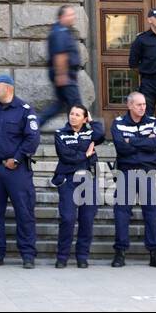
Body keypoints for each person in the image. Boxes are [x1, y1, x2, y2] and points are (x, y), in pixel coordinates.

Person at [0, 74, 40, 268]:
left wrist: (17, 159)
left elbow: (32, 139)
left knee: (24, 212)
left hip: (16, 171)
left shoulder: (25, 111)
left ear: (8, 88)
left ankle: (28, 254)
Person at [110, 92, 156, 268]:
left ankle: (154, 253)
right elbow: (121, 147)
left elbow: (154, 144)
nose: (143, 107)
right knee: (121, 213)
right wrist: (142, 141)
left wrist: (131, 141)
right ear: (129, 106)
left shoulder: (152, 121)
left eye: (144, 104)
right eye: (138, 105)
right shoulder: (118, 123)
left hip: (146, 172)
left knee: (150, 213)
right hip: (126, 172)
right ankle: (120, 252)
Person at [51, 104, 103, 268]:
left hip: (88, 179)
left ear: (84, 118)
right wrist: (85, 155)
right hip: (68, 180)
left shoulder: (90, 132)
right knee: (67, 218)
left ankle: (82, 256)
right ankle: (62, 257)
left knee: (87, 219)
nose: (73, 116)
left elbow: (101, 133)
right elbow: (65, 156)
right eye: (71, 113)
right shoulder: (60, 133)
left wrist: (92, 121)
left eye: (77, 115)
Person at [43, 5, 82, 121]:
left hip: (65, 75)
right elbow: (60, 55)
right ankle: (80, 135)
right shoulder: (60, 32)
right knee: (77, 107)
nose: (73, 17)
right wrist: (61, 75)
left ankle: (34, 126)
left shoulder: (63, 31)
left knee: (59, 105)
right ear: (62, 17)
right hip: (65, 75)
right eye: (70, 15)